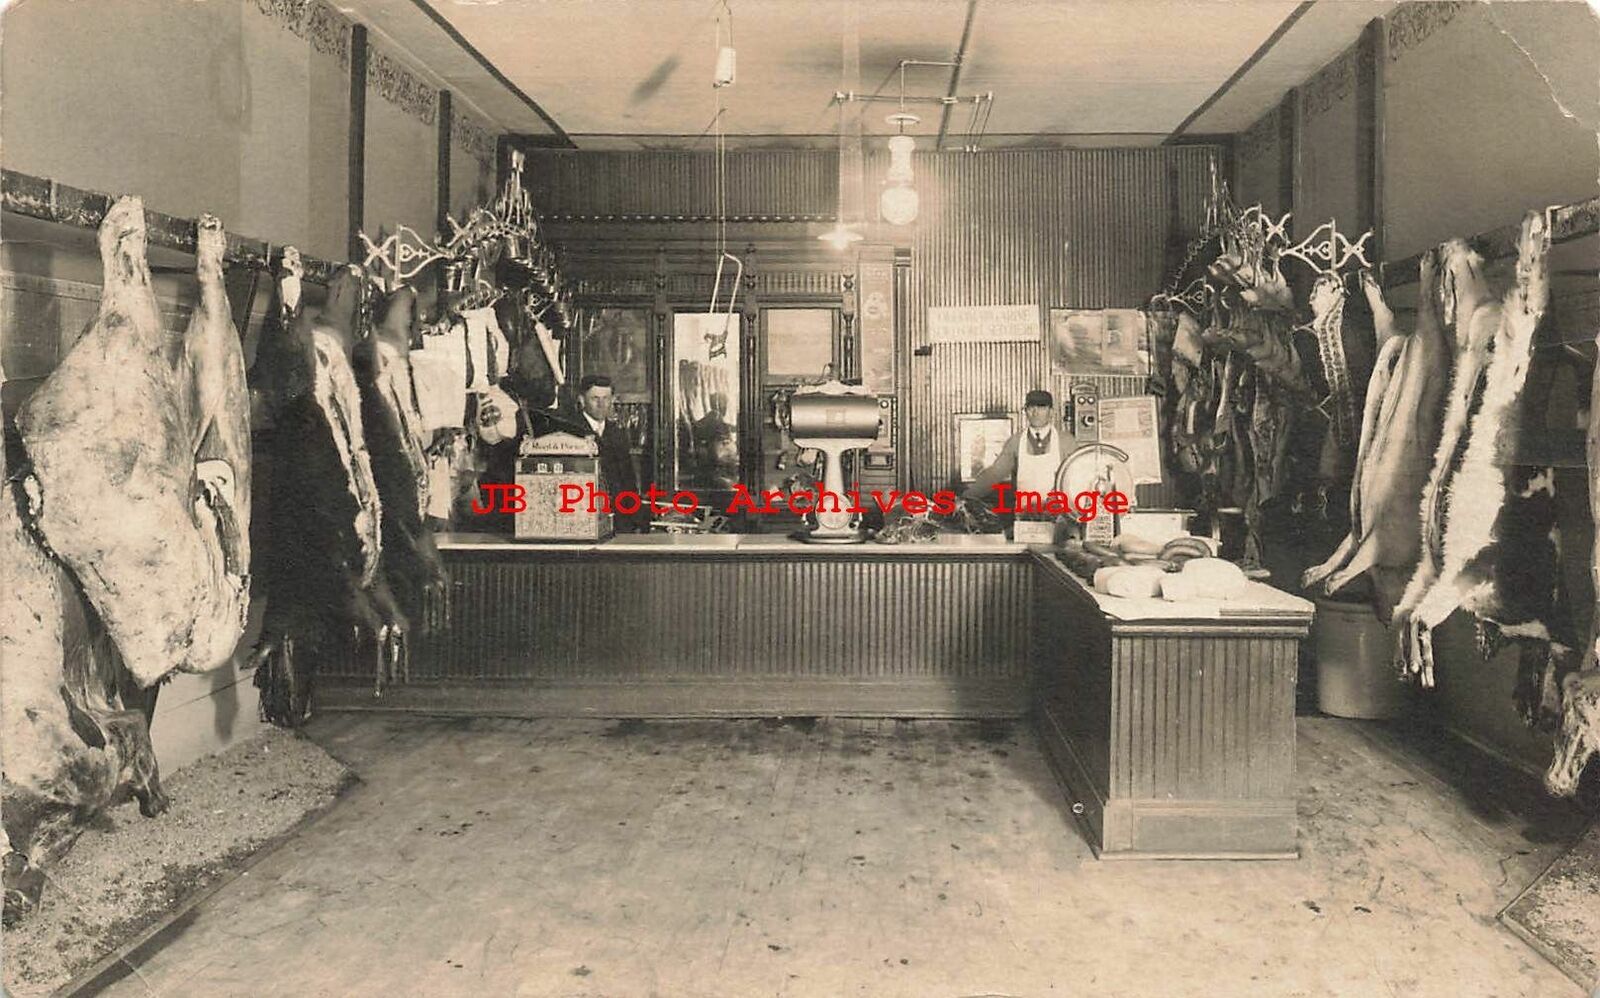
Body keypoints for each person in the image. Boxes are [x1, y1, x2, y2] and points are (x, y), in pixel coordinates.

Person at [963, 389, 1064, 525]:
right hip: (1025, 518)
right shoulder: (1016, 441)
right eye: (1031, 408)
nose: (1035, 413)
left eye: (1041, 407)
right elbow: (995, 473)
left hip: (1059, 519)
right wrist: (967, 496)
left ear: (1051, 412)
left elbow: (1078, 478)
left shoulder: (1066, 441)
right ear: (1025, 411)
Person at [577, 374, 646, 531]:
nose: (602, 404)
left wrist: (636, 520)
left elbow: (628, 483)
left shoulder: (618, 433)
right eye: (595, 398)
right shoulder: (571, 432)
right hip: (584, 520)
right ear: (582, 400)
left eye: (606, 398)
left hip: (618, 522)